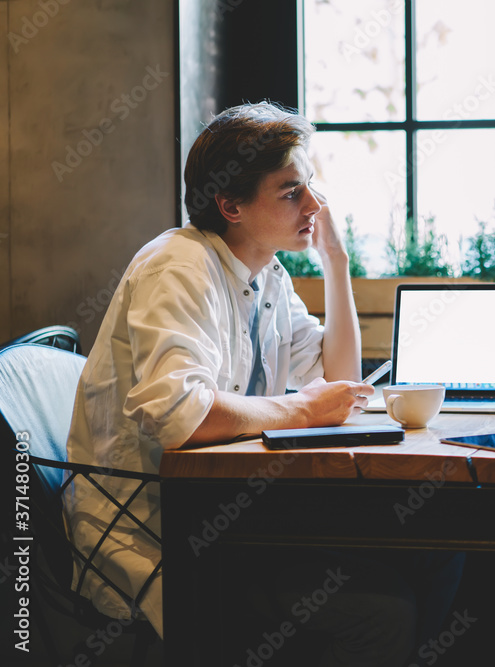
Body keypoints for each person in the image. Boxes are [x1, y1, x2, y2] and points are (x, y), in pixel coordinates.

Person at [65, 102, 461, 665]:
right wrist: (301, 411)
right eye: (291, 191)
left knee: (439, 552)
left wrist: (337, 262)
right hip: (162, 536)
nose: (314, 205)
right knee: (385, 608)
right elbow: (182, 417)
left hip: (234, 516)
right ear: (231, 204)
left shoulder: (265, 272)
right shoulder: (179, 266)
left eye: (311, 187)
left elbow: (339, 381)